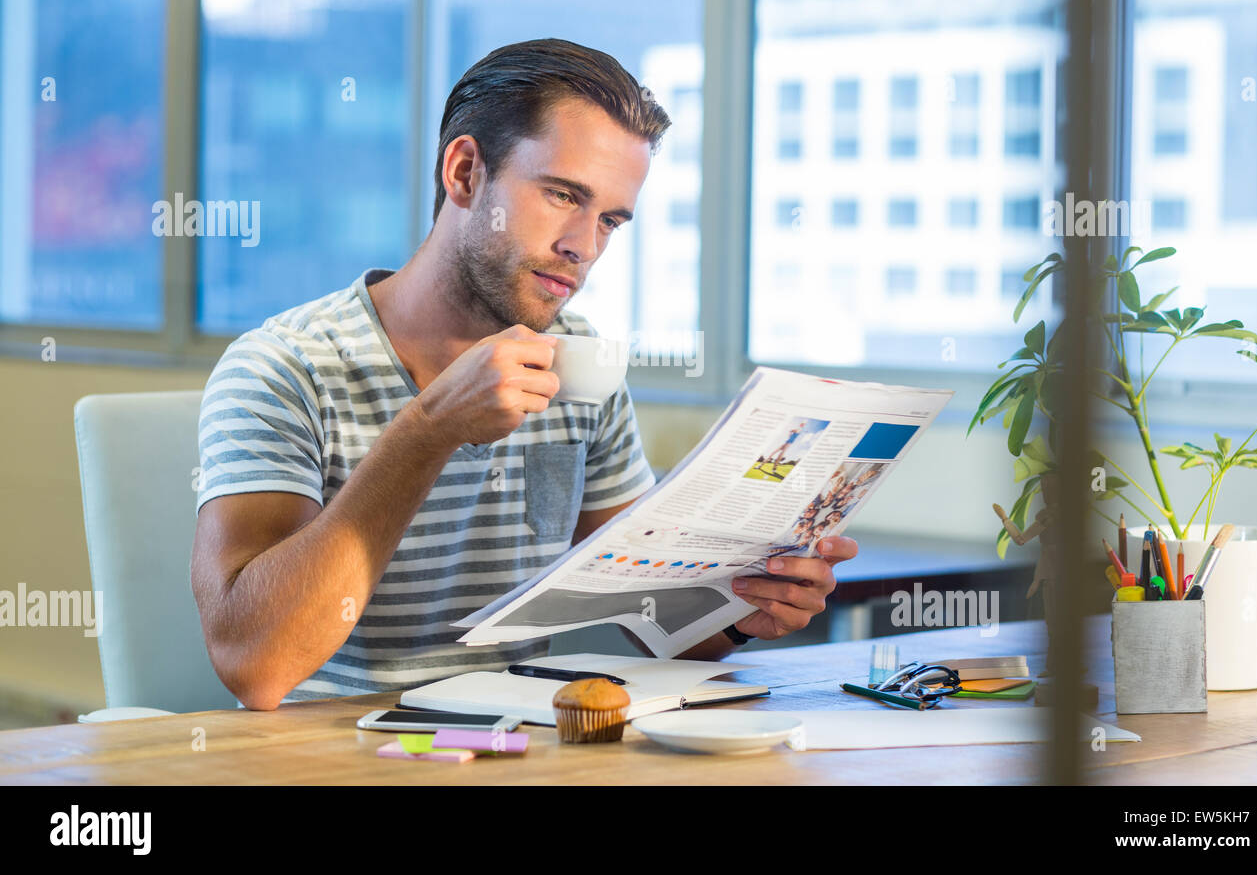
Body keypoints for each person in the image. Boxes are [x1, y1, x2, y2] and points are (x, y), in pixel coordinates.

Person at [191, 38, 858, 710]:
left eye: (611, 221)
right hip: (329, 757)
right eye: (563, 195)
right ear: (464, 173)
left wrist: (744, 610)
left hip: (516, 747)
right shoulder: (287, 366)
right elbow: (256, 664)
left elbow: (656, 612)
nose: (584, 246)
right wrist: (427, 432)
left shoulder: (579, 363)